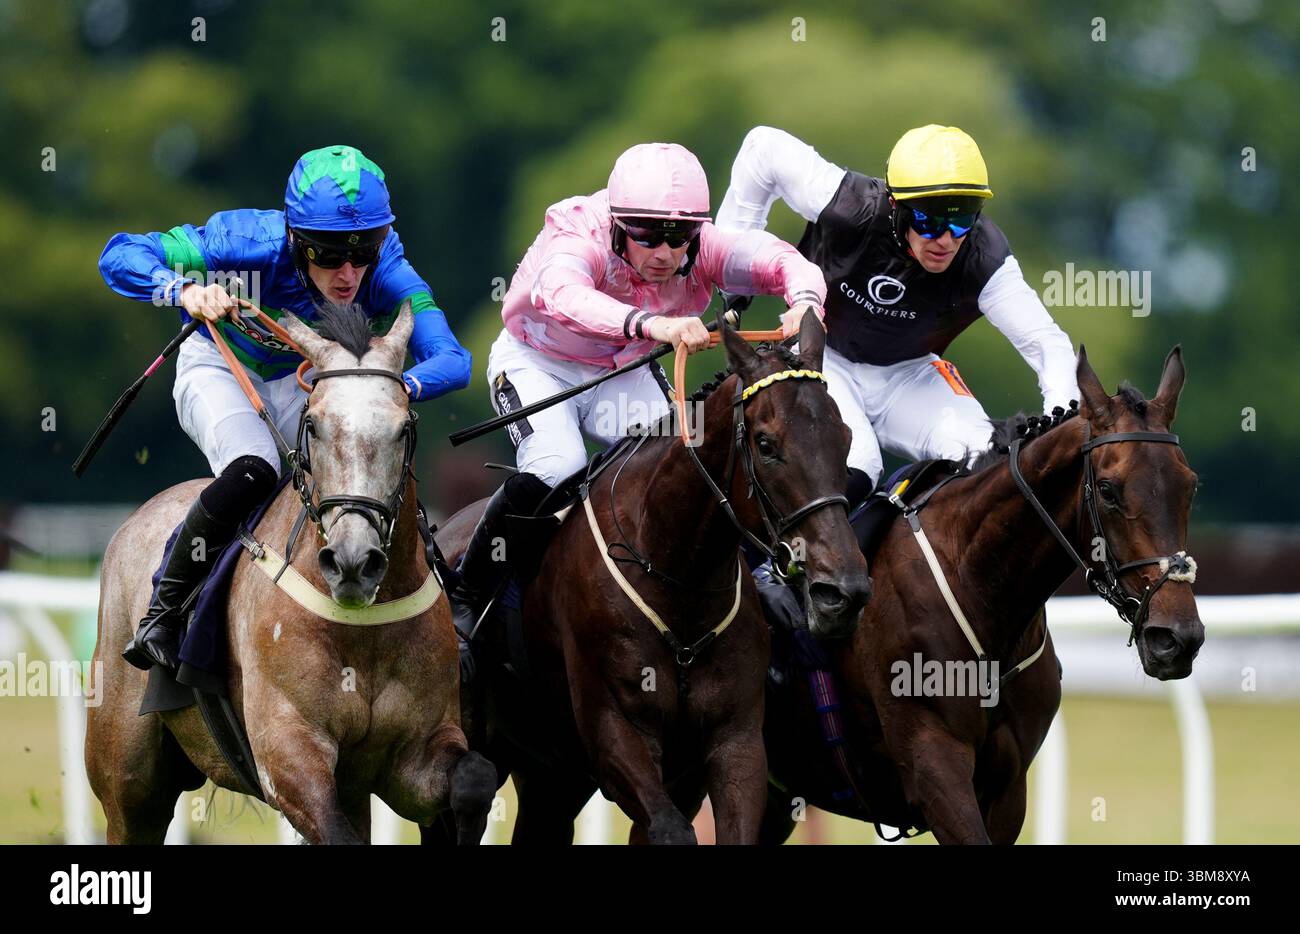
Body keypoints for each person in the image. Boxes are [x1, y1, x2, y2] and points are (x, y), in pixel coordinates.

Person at [448, 142, 828, 669]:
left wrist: (805, 301)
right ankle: (467, 596)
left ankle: (754, 582)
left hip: (618, 371)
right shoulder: (579, 228)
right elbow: (559, 291)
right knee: (558, 465)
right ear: (618, 222)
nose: (666, 254)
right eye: (647, 235)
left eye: (679, 237)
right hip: (537, 362)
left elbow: (786, 261)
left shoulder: (706, 246)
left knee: (690, 466)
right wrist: (653, 324)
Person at [98, 144, 471, 670]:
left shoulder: (387, 268)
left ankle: (443, 606)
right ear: (295, 239)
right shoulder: (245, 241)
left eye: (363, 251)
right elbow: (118, 254)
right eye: (328, 253)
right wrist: (180, 290)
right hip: (222, 369)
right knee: (255, 469)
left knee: (368, 459)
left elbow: (453, 360)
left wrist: (392, 385)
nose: (348, 273)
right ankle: (165, 611)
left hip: (312, 383)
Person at [716, 125, 1078, 507]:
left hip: (909, 375)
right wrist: (735, 278)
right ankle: (771, 564)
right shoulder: (850, 206)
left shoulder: (986, 257)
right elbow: (762, 148)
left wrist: (1060, 428)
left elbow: (1047, 345)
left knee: (985, 459)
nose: (946, 240)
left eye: (961, 222)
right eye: (929, 222)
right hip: (821, 359)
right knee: (860, 460)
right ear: (895, 205)